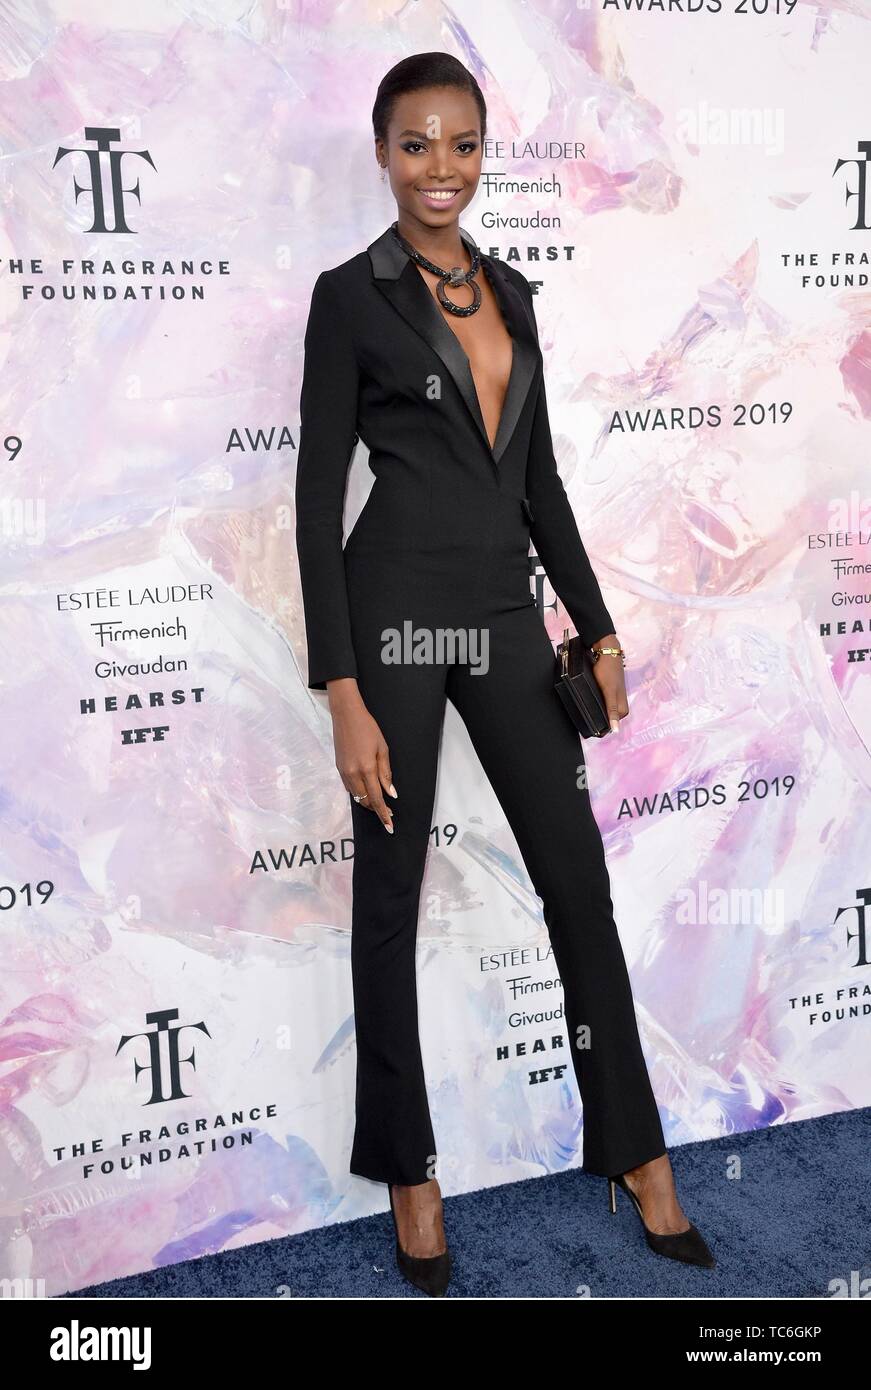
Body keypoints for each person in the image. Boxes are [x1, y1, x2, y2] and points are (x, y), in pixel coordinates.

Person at [295, 51, 715, 1296]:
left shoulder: (517, 291)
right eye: (416, 144)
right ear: (382, 153)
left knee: (577, 884)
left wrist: (594, 623)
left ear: (486, 152)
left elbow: (539, 485)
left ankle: (635, 1153)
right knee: (389, 895)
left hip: (499, 618)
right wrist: (343, 690)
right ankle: (411, 1172)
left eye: (463, 143)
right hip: (392, 626)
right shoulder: (347, 296)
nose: (441, 167)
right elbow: (316, 505)